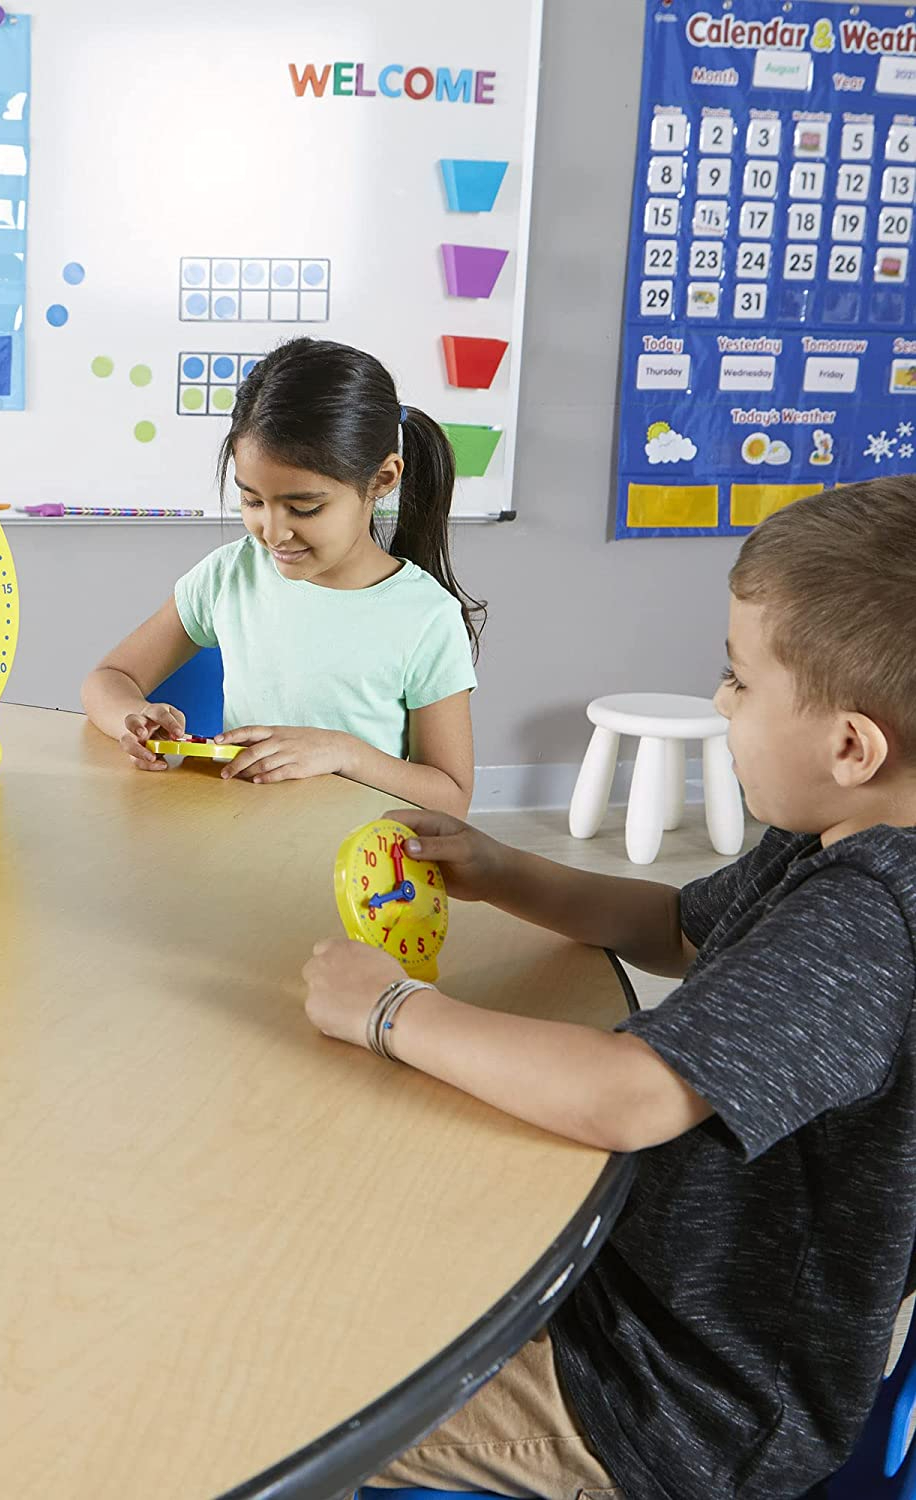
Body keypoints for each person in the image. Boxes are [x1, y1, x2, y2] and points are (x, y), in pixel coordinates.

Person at [305, 477, 916, 1498]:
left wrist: (389, 1011)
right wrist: (506, 870)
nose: (719, 702)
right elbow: (676, 925)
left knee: (268, 1401)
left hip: (665, 1402)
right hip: (630, 1290)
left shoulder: (867, 924)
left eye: (740, 681)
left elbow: (627, 1096)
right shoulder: (833, 839)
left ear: (850, 746)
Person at [81, 338, 484, 813]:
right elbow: (109, 678)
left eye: (304, 507)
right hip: (240, 842)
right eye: (252, 501)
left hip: (351, 867)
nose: (272, 533)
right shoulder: (230, 576)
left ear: (382, 479)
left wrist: (343, 752)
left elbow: (451, 796)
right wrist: (134, 717)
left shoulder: (425, 617)